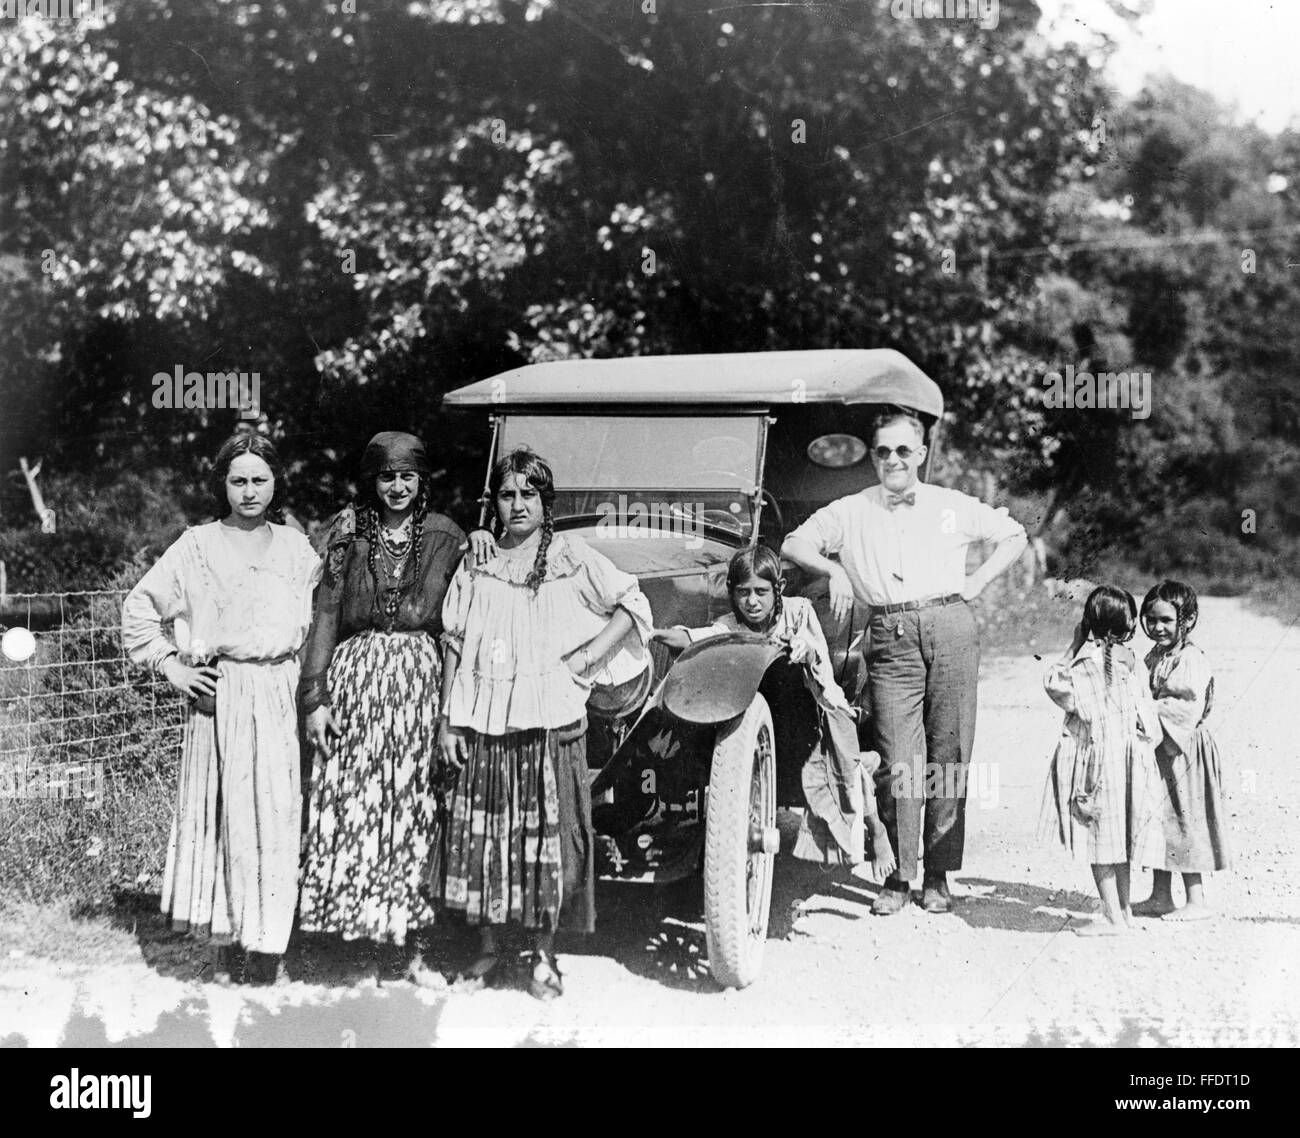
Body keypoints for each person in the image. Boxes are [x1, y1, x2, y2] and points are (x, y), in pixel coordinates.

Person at [781, 409, 1027, 914]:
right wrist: (833, 569)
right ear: (873, 457)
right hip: (889, 635)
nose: (893, 459)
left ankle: (937, 874)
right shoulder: (851, 510)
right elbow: (792, 542)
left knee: (949, 750)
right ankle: (899, 873)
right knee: (898, 757)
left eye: (903, 450)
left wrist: (977, 582)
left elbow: (1014, 535)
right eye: (883, 451)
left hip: (950, 625)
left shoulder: (949, 505)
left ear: (921, 455)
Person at [431, 447, 652, 999]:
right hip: (486, 720)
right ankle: (487, 949)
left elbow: (631, 604)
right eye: (507, 495)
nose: (518, 504)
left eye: (529, 494)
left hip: (551, 718)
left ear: (545, 501)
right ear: (496, 504)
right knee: (487, 836)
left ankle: (545, 955)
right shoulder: (477, 561)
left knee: (549, 840)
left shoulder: (572, 556)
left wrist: (583, 660)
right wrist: (449, 719)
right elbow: (455, 641)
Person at [122, 434, 321, 983]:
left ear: (276, 483)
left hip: (279, 691)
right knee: (225, 815)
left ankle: (267, 947)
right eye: (239, 480)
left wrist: (311, 694)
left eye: (260, 480)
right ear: (223, 485)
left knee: (275, 816)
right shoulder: (197, 545)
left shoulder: (297, 549)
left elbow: (317, 627)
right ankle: (229, 940)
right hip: (221, 695)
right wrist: (174, 667)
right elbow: (139, 606)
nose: (250, 491)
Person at [297, 432, 466, 981]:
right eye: (386, 477)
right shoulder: (348, 532)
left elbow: (465, 612)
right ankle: (361, 947)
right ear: (372, 481)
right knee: (359, 810)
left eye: (407, 477)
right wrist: (315, 697)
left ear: (422, 481)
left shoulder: (447, 536)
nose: (397, 487)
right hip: (358, 684)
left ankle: (411, 946)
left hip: (419, 687)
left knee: (414, 809)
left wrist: (484, 538)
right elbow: (325, 613)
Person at [651, 545, 896, 877]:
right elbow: (698, 636)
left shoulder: (797, 613)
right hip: (759, 716)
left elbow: (819, 660)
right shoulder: (729, 624)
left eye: (761, 592)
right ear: (732, 594)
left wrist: (805, 651)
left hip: (808, 708)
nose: (752, 601)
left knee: (845, 760)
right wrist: (657, 633)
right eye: (743, 593)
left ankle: (877, 830)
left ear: (777, 589)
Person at [1041, 585, 1167, 936]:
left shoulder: (1083, 666)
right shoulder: (1133, 664)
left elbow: (1053, 682)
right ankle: (1123, 911)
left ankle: (1112, 917)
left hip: (1097, 766)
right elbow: (1151, 725)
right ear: (1128, 626)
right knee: (1121, 837)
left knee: (1099, 838)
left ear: (1089, 624)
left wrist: (1073, 644)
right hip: (1130, 764)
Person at [1131, 580, 1231, 921]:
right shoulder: (1155, 656)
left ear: (1186, 621)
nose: (1158, 627)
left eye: (1166, 621)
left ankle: (1196, 898)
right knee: (1159, 819)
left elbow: (1181, 706)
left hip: (1182, 748)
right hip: (1161, 749)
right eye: (1152, 620)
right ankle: (1160, 895)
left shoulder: (1189, 659)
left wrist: (1141, 710)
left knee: (1184, 816)